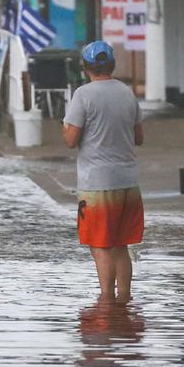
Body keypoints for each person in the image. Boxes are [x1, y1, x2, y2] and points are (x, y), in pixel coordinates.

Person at [62, 40, 145, 303]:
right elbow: (139, 137)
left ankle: (106, 303)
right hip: (128, 182)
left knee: (101, 247)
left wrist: (65, 127)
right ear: (112, 64)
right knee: (122, 245)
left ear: (86, 67)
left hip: (97, 183)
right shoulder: (126, 92)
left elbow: (71, 140)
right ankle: (125, 300)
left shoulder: (83, 95)